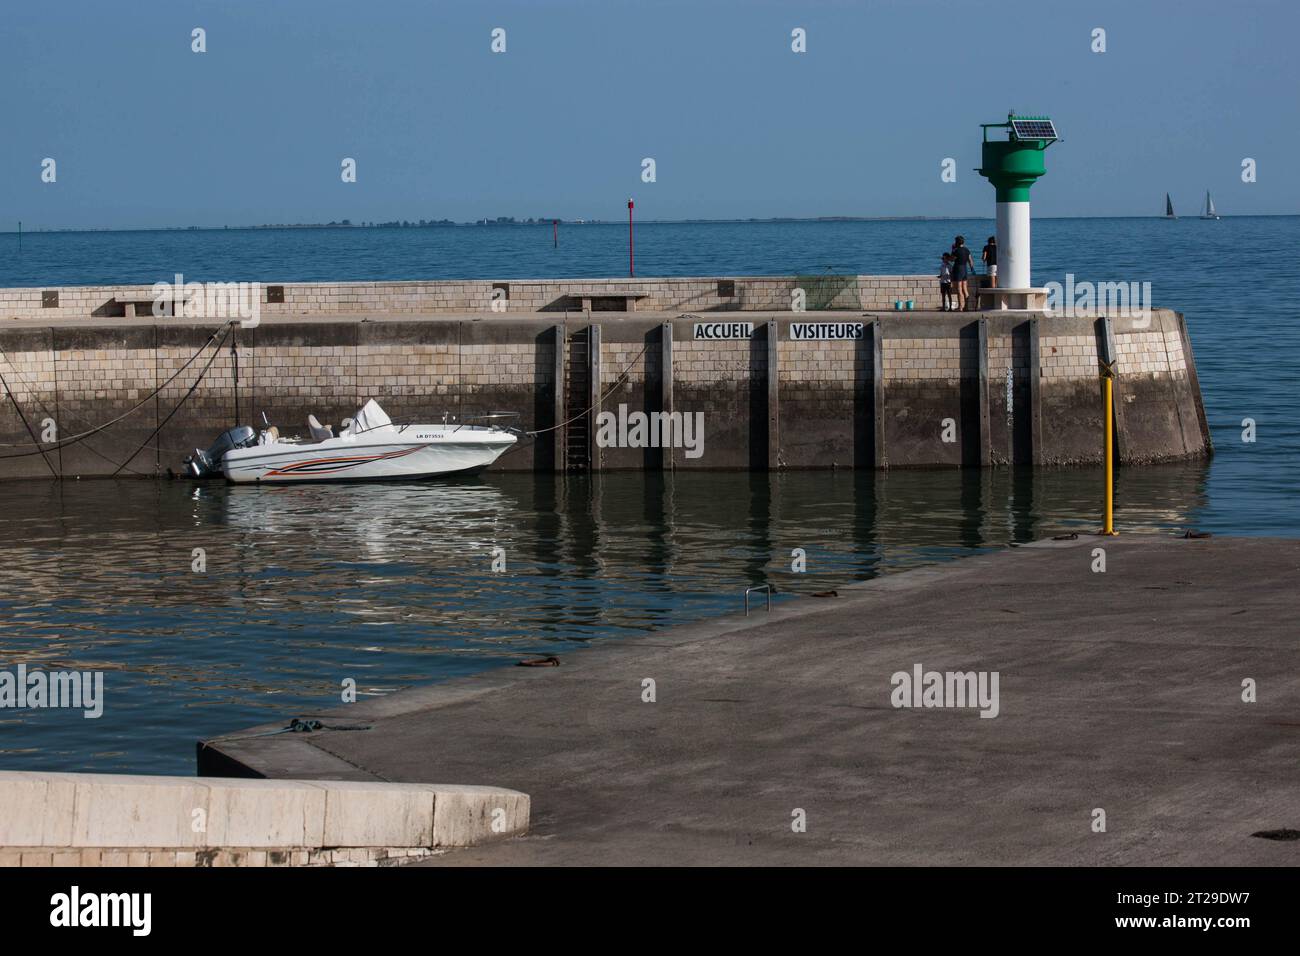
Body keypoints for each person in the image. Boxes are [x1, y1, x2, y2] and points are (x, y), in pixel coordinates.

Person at [951, 235, 975, 311]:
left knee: (959, 289)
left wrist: (952, 250)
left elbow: (952, 259)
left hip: (958, 269)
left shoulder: (956, 250)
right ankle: (966, 307)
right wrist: (972, 269)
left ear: (957, 242)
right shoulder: (967, 250)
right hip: (965, 269)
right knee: (965, 289)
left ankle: (960, 307)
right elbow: (970, 260)